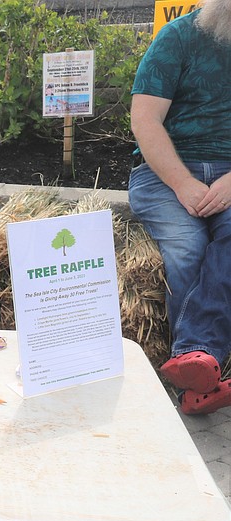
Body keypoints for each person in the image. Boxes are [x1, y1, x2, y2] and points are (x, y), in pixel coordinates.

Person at [128, 0, 231, 415]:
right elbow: (145, 121)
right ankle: (201, 366)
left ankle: (197, 370)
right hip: (165, 172)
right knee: (187, 248)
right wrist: (183, 183)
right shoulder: (177, 38)